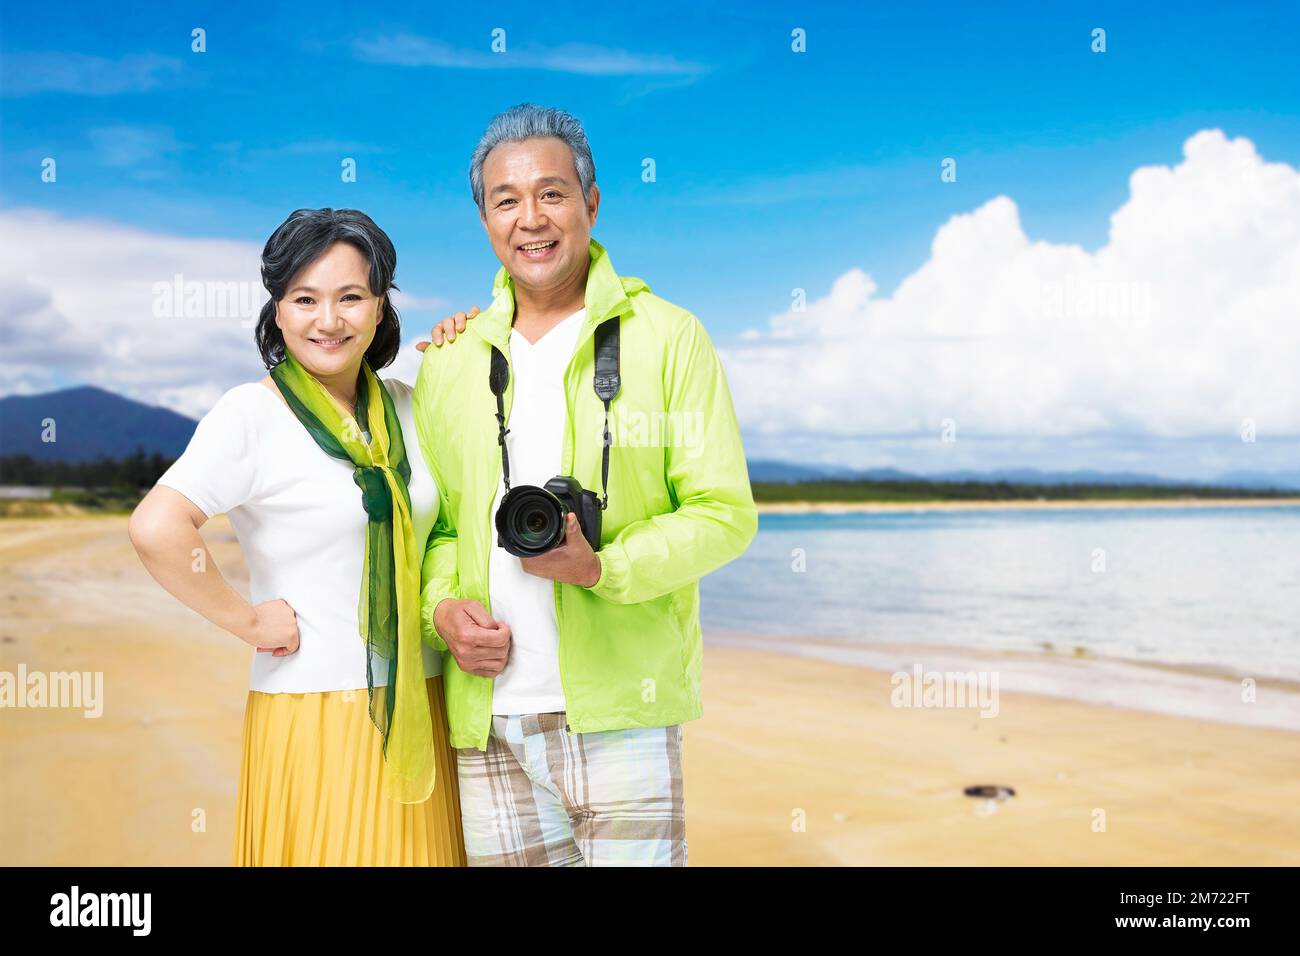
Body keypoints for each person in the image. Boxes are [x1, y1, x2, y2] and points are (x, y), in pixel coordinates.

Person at [413, 104, 758, 866]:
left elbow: (724, 513)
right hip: (486, 718)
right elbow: (439, 528)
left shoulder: (670, 337)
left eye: (552, 193)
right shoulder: (449, 359)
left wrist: (604, 565)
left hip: (623, 713)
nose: (530, 219)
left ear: (591, 203)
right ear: (483, 218)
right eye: (506, 200)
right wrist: (443, 611)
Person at [129, 208, 470, 866]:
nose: (329, 320)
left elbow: (459, 515)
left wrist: (471, 336)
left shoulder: (408, 404)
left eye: (351, 297)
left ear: (380, 309)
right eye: (305, 299)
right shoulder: (252, 413)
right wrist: (248, 621)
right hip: (315, 707)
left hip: (423, 704)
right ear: (278, 312)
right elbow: (156, 526)